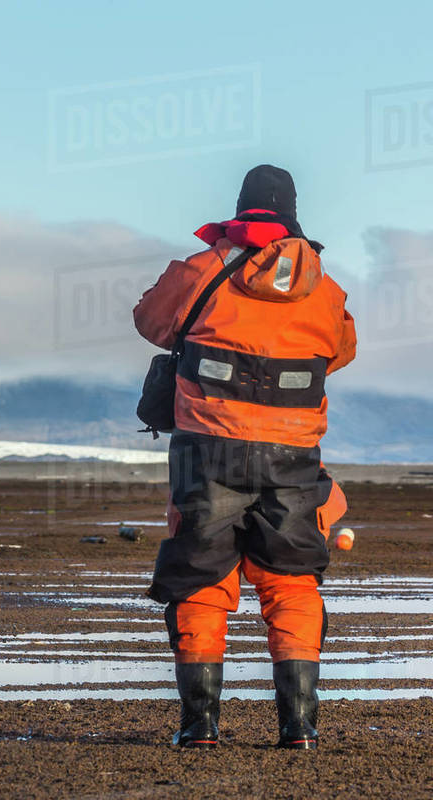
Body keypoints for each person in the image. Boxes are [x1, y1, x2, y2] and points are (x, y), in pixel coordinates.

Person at [132, 164, 357, 750]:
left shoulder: (204, 269)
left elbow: (150, 322)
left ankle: (199, 728)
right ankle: (299, 729)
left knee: (202, 582)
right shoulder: (324, 288)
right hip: (293, 455)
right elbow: (342, 350)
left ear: (242, 207)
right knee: (291, 583)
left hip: (208, 450)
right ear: (292, 214)